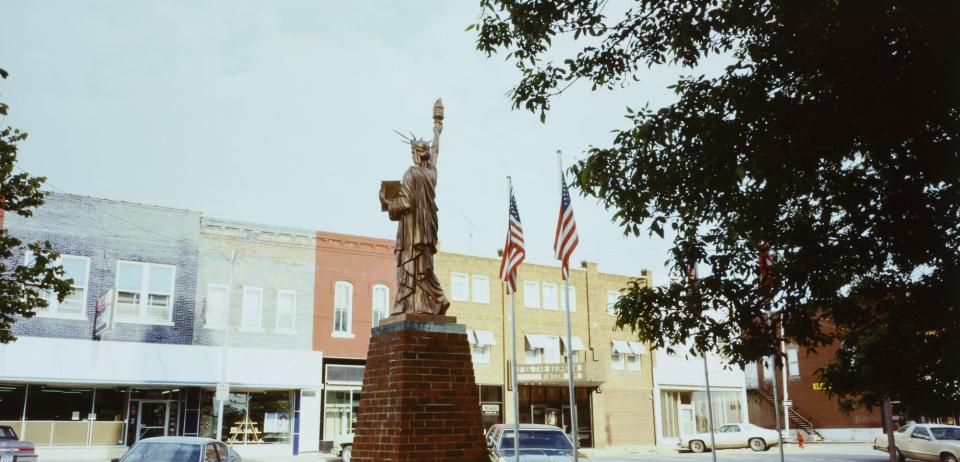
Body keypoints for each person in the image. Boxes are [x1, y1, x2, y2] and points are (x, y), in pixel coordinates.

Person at [380, 99, 450, 316]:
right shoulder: (431, 174)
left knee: (412, 269)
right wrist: (437, 129)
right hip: (427, 230)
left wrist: (387, 201)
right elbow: (436, 154)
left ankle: (417, 303)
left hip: (412, 232)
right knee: (424, 269)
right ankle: (436, 299)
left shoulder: (411, 173)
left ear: (416, 153)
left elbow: (406, 202)